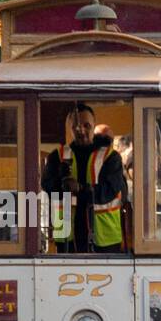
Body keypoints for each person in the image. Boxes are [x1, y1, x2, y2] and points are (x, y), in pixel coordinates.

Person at [41, 103, 125, 253]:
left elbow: (109, 191)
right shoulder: (57, 157)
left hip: (104, 238)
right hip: (68, 237)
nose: (82, 130)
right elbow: (47, 186)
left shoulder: (111, 157)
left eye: (87, 125)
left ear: (94, 126)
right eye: (76, 127)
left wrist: (80, 188)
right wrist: (60, 183)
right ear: (70, 129)